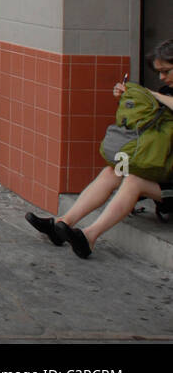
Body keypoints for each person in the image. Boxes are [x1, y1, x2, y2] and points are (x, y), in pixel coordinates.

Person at [26, 39, 173, 258]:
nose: (162, 77)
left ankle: (90, 236)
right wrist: (129, 98)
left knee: (133, 181)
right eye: (159, 72)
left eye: (167, 71)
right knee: (113, 170)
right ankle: (62, 224)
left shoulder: (162, 94)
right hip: (161, 168)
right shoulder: (165, 91)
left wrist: (151, 95)